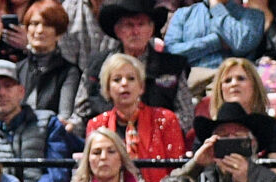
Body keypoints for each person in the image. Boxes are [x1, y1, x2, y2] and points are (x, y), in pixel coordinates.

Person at [78, 0, 193, 128]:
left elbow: (186, 115)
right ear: (117, 31)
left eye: (141, 24)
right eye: (129, 25)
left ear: (151, 29)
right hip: (107, 139)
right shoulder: (96, 65)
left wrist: (155, 131)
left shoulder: (172, 66)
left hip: (160, 141)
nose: (135, 31)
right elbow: (80, 113)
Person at [89, 53, 186, 182]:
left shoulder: (166, 119)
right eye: (117, 79)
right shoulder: (96, 125)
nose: (124, 83)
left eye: (131, 79)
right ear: (107, 89)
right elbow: (93, 173)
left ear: (141, 87)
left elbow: (176, 172)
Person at [19, 1, 83, 130]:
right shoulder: (18, 68)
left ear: (59, 33)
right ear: (26, 29)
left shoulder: (69, 71)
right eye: (34, 24)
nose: (39, 30)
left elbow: (64, 117)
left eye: (47, 25)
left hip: (50, 136)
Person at [164, 0, 267, 66]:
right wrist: (216, 41)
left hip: (230, 81)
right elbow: (170, 54)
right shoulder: (183, 14)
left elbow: (242, 43)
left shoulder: (253, 16)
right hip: (189, 81)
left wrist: (217, 6)